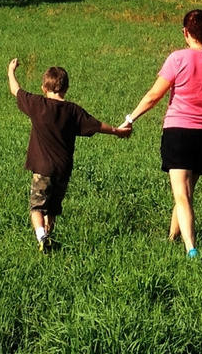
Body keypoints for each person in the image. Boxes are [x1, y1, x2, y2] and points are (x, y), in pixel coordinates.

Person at [123, 9, 202, 258]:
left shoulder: (177, 59)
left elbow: (154, 96)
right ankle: (171, 238)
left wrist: (130, 119)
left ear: (186, 32)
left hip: (178, 132)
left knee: (182, 194)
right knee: (186, 193)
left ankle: (191, 249)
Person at [8, 57, 131, 251]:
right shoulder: (73, 111)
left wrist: (11, 71)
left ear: (44, 88)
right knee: (53, 208)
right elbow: (97, 126)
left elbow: (16, 90)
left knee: (37, 207)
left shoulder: (37, 104)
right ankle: (49, 238)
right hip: (63, 170)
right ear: (66, 88)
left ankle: (41, 236)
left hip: (42, 169)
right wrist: (117, 131)